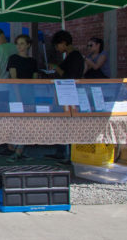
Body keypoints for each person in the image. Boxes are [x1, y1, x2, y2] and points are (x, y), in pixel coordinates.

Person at [46, 30, 84, 162]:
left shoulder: (75, 56)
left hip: (70, 94)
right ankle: (61, 150)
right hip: (66, 93)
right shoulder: (71, 56)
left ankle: (69, 153)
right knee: (64, 123)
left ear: (63, 43)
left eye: (57, 45)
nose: (57, 49)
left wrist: (56, 68)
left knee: (69, 123)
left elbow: (69, 76)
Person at [5, 34, 39, 162]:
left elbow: (35, 80)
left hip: (29, 93)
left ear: (28, 45)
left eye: (22, 43)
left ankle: (20, 150)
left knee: (26, 122)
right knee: (16, 121)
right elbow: (13, 79)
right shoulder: (13, 58)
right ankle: (15, 148)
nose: (19, 46)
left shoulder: (33, 61)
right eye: (18, 44)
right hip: (15, 92)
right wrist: (18, 96)